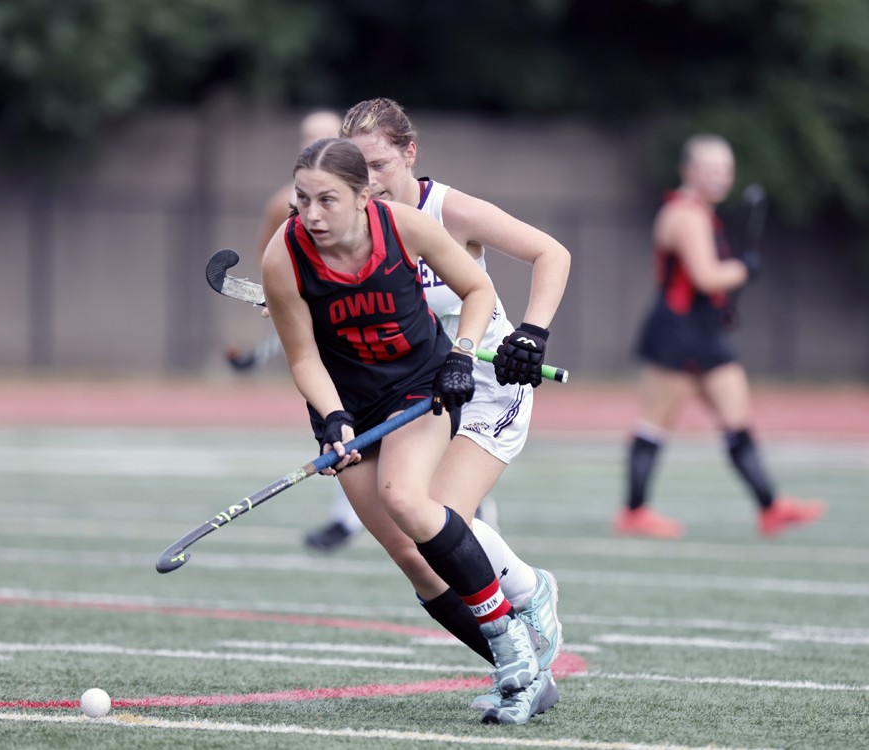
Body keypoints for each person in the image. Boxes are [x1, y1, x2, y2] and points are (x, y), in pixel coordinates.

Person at [262, 136, 553, 724]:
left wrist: (461, 353)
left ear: (362, 197)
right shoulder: (284, 257)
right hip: (346, 403)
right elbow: (304, 358)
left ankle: (518, 653)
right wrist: (334, 417)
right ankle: (526, 676)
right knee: (410, 557)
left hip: (419, 386)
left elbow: (477, 289)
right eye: (302, 199)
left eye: (327, 200)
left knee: (406, 499)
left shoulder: (404, 228)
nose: (312, 215)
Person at [325, 97, 570, 715]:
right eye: (356, 170)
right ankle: (518, 667)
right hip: (419, 391)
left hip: (487, 386)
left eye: (379, 165)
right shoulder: (353, 225)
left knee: (436, 513)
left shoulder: (446, 210)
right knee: (414, 542)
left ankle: (531, 591)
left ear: (410, 154)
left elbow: (552, 253)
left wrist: (531, 334)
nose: (367, 182)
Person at [616, 133, 826, 539]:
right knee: (656, 422)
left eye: (725, 169)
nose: (719, 176)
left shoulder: (702, 214)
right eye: (709, 168)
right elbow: (706, 275)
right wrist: (744, 268)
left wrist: (722, 300)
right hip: (675, 333)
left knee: (737, 418)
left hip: (705, 332)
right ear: (688, 170)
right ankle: (634, 511)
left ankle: (770, 507)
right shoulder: (686, 215)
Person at [227, 110, 343, 371]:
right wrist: (291, 292)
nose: (318, 142)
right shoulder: (283, 203)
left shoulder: (364, 196)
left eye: (328, 135)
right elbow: (266, 256)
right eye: (310, 136)